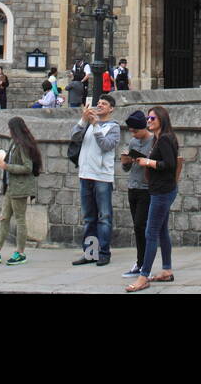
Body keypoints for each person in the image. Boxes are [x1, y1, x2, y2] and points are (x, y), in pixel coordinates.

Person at [126, 105, 180, 292]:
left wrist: (148, 162)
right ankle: (167, 270)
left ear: (162, 121)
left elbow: (170, 165)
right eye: (148, 119)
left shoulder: (164, 139)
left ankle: (143, 276)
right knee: (162, 231)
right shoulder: (160, 138)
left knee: (150, 233)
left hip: (162, 192)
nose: (148, 121)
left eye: (152, 119)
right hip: (161, 189)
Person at [0, 116, 42, 265]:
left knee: (20, 220)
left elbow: (28, 167)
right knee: (3, 218)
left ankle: (20, 252)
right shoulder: (14, 143)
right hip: (11, 186)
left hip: (20, 187)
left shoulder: (23, 145)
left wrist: (7, 167)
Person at [71, 93, 119, 267]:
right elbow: (74, 137)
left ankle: (104, 253)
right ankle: (90, 253)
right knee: (89, 217)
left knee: (104, 217)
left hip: (102, 177)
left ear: (111, 108)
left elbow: (106, 145)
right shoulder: (88, 124)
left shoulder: (113, 127)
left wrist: (96, 126)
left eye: (104, 104)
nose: (99, 106)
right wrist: (83, 120)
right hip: (85, 174)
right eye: (98, 103)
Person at [119, 110, 153, 278]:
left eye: (135, 131)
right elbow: (127, 168)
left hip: (146, 189)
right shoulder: (133, 142)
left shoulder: (154, 141)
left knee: (141, 225)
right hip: (133, 187)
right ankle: (140, 262)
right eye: (131, 131)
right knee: (137, 227)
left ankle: (144, 263)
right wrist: (125, 162)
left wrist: (146, 161)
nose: (133, 134)